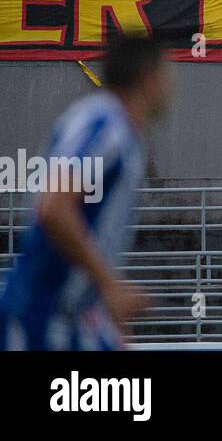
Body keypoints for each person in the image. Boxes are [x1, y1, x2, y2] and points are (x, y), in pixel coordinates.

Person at [0, 34, 170, 350]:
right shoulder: (109, 127)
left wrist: (108, 315)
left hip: (74, 319)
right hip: (39, 321)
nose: (171, 88)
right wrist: (110, 287)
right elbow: (54, 207)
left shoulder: (117, 131)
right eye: (167, 75)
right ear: (149, 76)